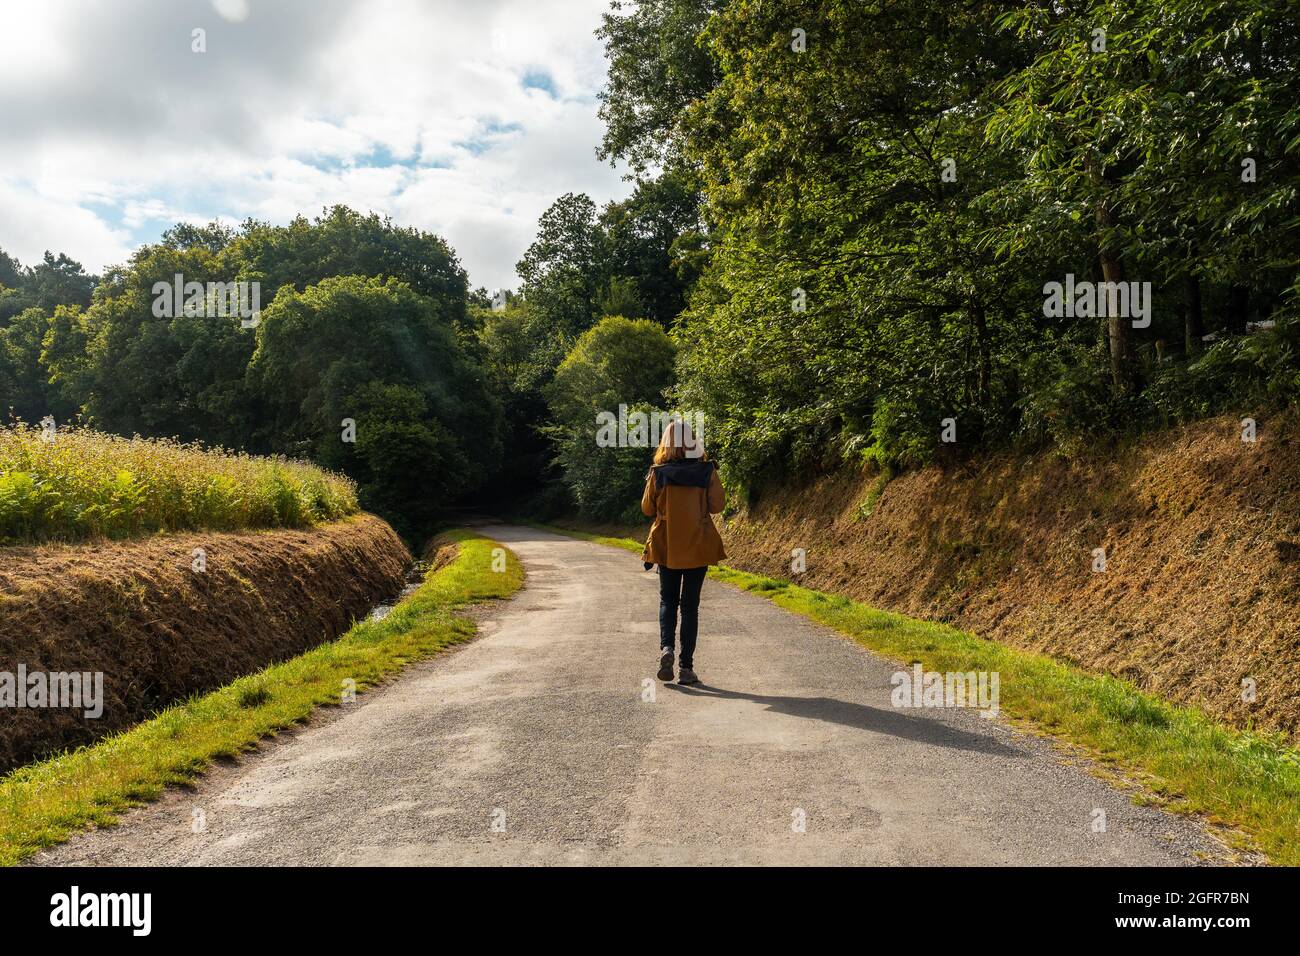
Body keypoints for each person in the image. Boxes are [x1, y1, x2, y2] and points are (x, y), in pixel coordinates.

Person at [640, 419, 725, 685]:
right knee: (690, 607)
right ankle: (686, 668)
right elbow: (717, 506)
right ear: (693, 442)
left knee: (668, 601)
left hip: (668, 544)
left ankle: (666, 649)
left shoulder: (659, 472)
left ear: (666, 443)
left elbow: (647, 509)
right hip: (698, 544)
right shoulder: (706, 471)